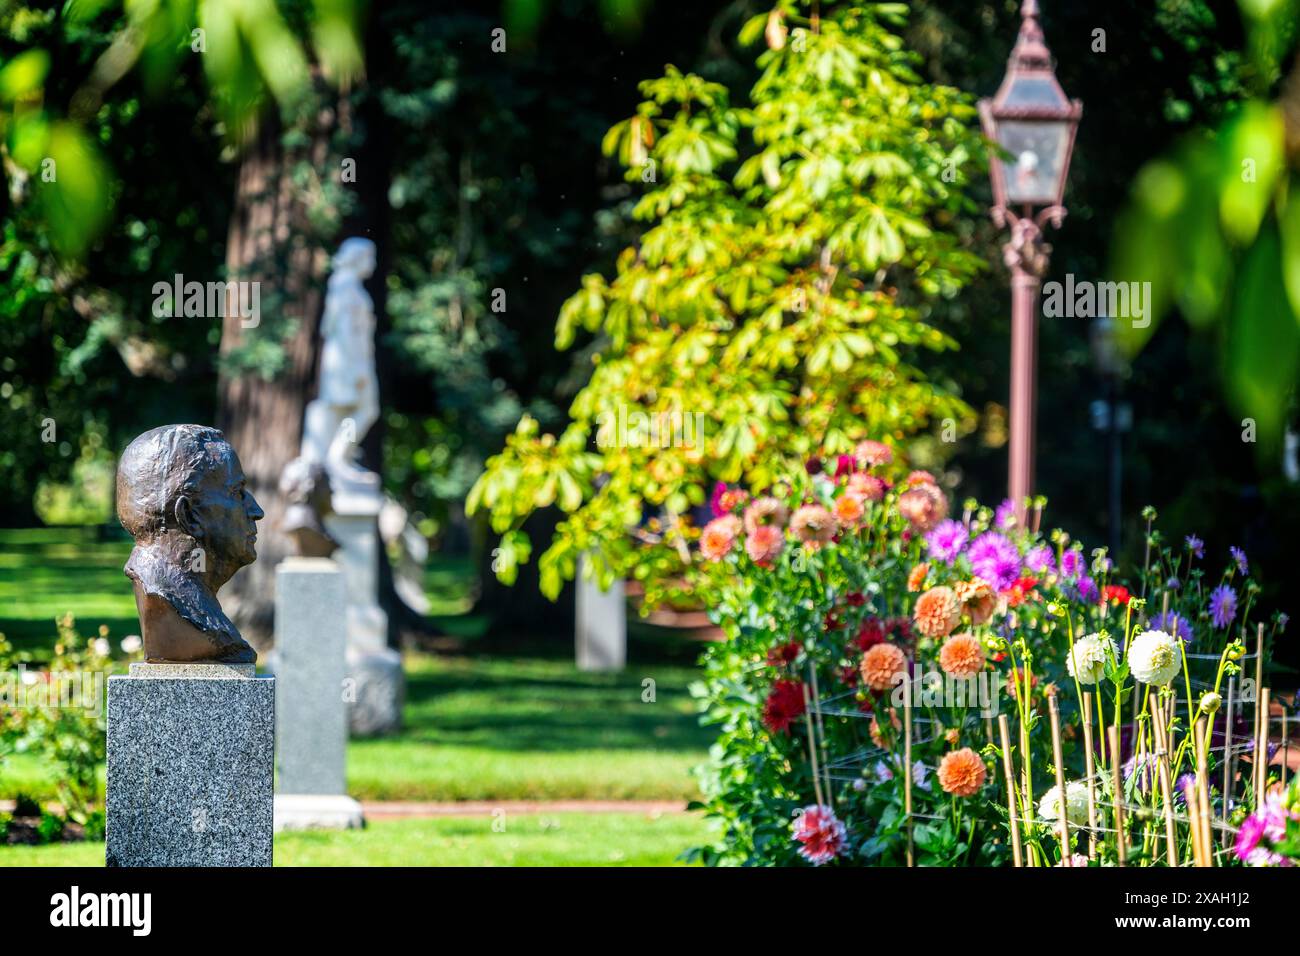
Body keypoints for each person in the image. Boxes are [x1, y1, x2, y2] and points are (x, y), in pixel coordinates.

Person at [116, 424, 264, 663]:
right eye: (237, 493)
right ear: (189, 515)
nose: (257, 511)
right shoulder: (172, 607)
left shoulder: (193, 607)